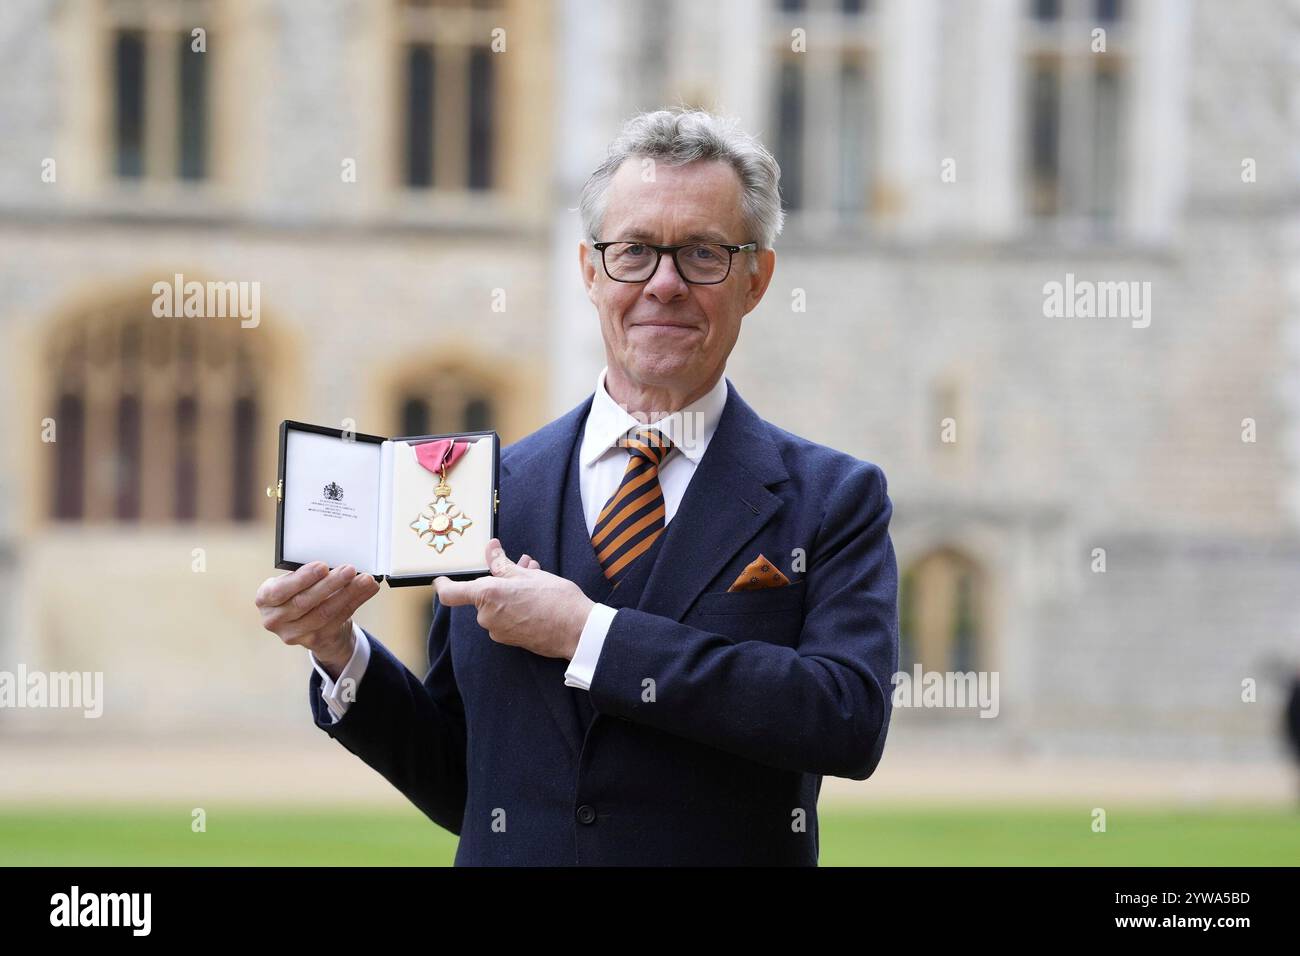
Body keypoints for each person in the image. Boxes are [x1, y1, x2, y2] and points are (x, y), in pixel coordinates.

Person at [255, 108, 899, 865]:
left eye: (702, 253)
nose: (664, 283)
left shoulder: (834, 498)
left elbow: (846, 720)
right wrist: (341, 653)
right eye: (634, 252)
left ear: (757, 278)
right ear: (591, 271)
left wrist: (588, 633)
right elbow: (469, 783)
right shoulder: (481, 486)